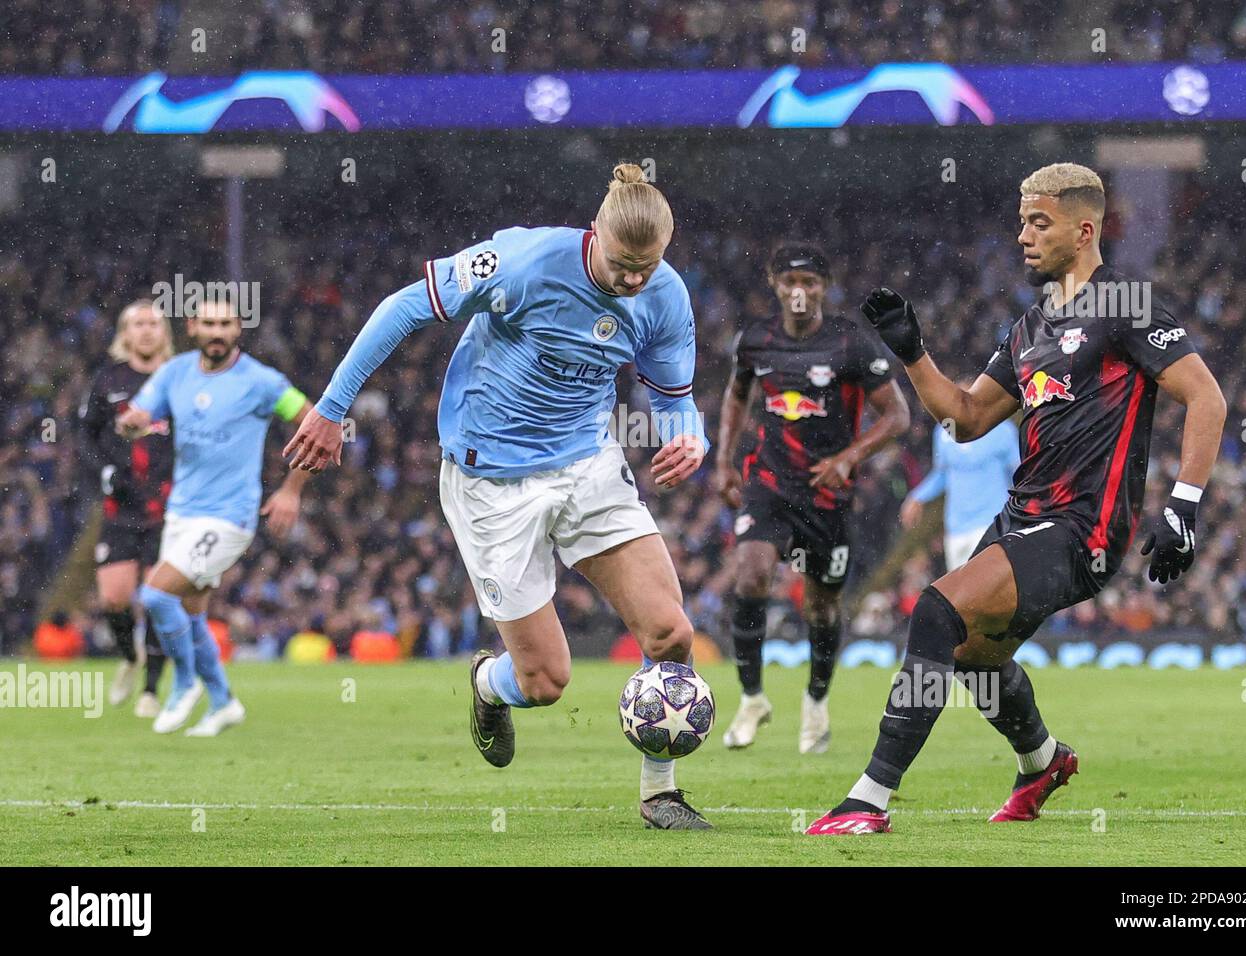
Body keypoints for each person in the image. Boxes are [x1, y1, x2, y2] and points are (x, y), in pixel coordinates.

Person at [284, 164, 715, 829]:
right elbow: (404, 306)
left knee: (671, 632)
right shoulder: (522, 260)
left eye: (647, 267)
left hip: (586, 467)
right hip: (492, 482)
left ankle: (661, 793)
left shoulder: (664, 295)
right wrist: (332, 407)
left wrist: (690, 437)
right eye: (624, 266)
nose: (634, 281)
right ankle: (489, 683)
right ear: (594, 232)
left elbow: (674, 397)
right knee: (544, 683)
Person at [807, 163, 1227, 834]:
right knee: (976, 656)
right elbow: (967, 419)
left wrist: (1183, 504)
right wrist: (913, 353)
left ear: (1084, 229)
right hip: (1023, 517)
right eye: (1021, 222)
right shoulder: (1031, 327)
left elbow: (1205, 394)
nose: (1024, 237)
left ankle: (868, 800)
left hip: (1082, 528)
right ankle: (1043, 762)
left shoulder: (1125, 305)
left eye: (1040, 223)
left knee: (936, 614)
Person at [713, 244, 909, 753]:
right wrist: (724, 461)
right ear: (774, 284)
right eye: (790, 282)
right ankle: (753, 698)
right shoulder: (755, 341)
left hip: (827, 493)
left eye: (809, 283)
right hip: (769, 482)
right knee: (751, 574)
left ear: (823, 287)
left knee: (821, 607)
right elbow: (737, 396)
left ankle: (816, 700)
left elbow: (897, 416)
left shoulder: (850, 343)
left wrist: (850, 455)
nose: (799, 292)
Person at [117, 299, 315, 736]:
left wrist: (291, 489)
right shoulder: (174, 373)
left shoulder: (262, 382)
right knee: (189, 613)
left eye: (226, 323)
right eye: (209, 323)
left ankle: (185, 684)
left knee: (154, 597)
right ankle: (223, 701)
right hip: (183, 513)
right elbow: (141, 415)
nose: (217, 331)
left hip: (230, 517)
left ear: (238, 328)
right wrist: (132, 424)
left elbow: (314, 423)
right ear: (192, 327)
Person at [77, 300, 174, 717]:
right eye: (139, 324)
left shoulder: (179, 378)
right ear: (125, 333)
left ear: (164, 332)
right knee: (114, 600)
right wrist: (104, 473)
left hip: (170, 506)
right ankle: (129, 657)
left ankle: (151, 690)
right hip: (121, 507)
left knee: (157, 597)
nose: (147, 330)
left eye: (154, 323)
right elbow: (85, 437)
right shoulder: (108, 380)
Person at [900, 387, 1019, 571]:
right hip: (956, 529)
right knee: (963, 595)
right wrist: (917, 497)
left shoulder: (1002, 430)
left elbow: (1018, 473)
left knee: (992, 590)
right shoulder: (943, 431)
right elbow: (943, 474)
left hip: (992, 522)